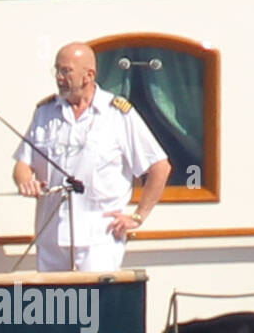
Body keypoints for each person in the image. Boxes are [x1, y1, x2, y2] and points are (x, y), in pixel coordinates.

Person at [12, 42, 172, 272]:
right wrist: (25, 181)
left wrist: (138, 216)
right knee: (57, 307)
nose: (59, 77)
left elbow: (159, 167)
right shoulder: (45, 113)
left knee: (95, 305)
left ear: (88, 75)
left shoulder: (117, 114)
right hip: (52, 235)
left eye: (66, 71)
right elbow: (23, 164)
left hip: (99, 237)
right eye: (57, 70)